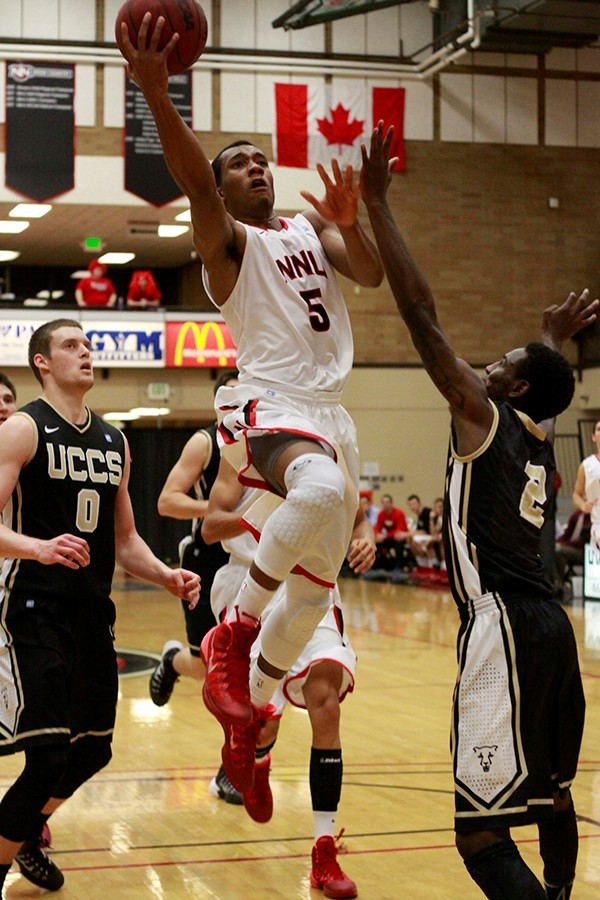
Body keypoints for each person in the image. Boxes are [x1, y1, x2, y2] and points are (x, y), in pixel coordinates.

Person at [118, 15, 384, 789]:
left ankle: (249, 727)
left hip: (332, 409)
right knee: (321, 493)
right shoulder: (227, 242)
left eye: (263, 161)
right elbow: (193, 178)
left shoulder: (308, 229)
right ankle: (232, 636)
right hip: (270, 397)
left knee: (314, 589)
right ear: (224, 186)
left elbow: (367, 274)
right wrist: (156, 96)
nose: (256, 170)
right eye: (241, 166)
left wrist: (349, 220)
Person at [360, 122, 598, 900]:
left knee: (482, 835)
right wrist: (548, 341)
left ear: (514, 389)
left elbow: (422, 317)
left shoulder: (485, 415)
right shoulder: (538, 436)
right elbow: (546, 387)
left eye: (499, 365)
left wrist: (378, 206)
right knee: (555, 791)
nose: (482, 367)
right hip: (552, 629)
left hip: (500, 627)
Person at [0, 318, 200, 893]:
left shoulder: (115, 441)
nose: (85, 353)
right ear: (43, 362)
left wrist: (166, 575)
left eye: (88, 346)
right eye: (71, 346)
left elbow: (126, 539)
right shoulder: (22, 430)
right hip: (34, 608)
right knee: (45, 756)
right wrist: (37, 547)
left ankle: (25, 829)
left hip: (93, 614)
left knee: (93, 752)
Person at [202, 458, 376, 899]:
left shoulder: (333, 439)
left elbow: (357, 516)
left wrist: (364, 538)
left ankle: (323, 849)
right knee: (265, 716)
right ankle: (258, 758)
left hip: (314, 581)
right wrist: (281, 515)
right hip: (253, 581)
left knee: (327, 700)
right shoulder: (242, 445)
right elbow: (209, 527)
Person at [152, 368, 241, 805]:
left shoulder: (273, 437)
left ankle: (232, 769)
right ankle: (172, 660)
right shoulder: (206, 442)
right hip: (208, 559)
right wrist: (219, 509)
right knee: (211, 669)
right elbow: (167, 500)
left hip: (257, 560)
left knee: (251, 670)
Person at [572, 419, 600, 550]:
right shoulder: (587, 465)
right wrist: (583, 505)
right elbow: (576, 494)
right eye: (599, 429)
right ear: (593, 437)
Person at [554, 509, 591, 600]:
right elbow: (566, 535)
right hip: (571, 547)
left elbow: (581, 541)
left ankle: (559, 583)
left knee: (560, 552)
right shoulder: (576, 514)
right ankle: (555, 582)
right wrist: (557, 542)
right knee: (552, 550)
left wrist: (563, 545)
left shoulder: (593, 518)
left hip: (582, 551)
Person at [373, 493, 413, 571]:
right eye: (383, 502)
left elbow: (400, 530)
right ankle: (379, 565)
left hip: (400, 537)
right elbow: (377, 528)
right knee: (376, 543)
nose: (385, 504)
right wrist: (377, 535)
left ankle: (400, 566)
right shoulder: (381, 514)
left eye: (387, 502)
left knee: (398, 544)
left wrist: (385, 536)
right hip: (389, 537)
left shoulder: (399, 513)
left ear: (391, 503)